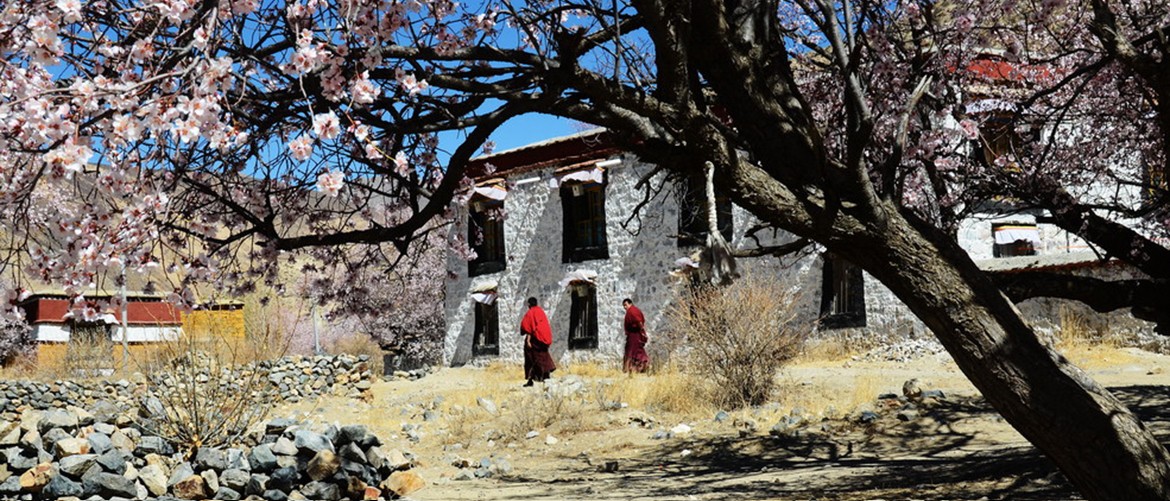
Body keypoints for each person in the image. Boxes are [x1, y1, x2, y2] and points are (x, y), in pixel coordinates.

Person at [520, 297, 556, 386]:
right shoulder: (541, 311)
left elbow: (529, 328)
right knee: (543, 356)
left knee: (531, 358)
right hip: (543, 340)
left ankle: (532, 378)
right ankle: (545, 375)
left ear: (529, 304)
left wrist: (528, 341)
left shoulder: (530, 313)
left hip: (536, 340)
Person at [622, 298, 649, 373]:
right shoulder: (632, 311)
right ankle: (634, 369)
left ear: (630, 304)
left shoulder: (632, 311)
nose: (625, 307)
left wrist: (642, 331)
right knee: (634, 350)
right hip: (633, 334)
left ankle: (635, 368)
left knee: (633, 351)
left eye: (625, 305)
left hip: (635, 334)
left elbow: (639, 321)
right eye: (623, 306)